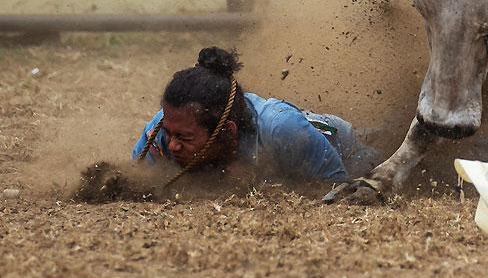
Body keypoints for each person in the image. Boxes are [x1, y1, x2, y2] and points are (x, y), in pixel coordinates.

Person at [132, 46, 378, 186]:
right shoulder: (163, 131)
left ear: (227, 132)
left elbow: (339, 188)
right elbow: (137, 181)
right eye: (169, 134)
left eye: (184, 138)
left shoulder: (282, 129)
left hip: (344, 148)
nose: (172, 144)